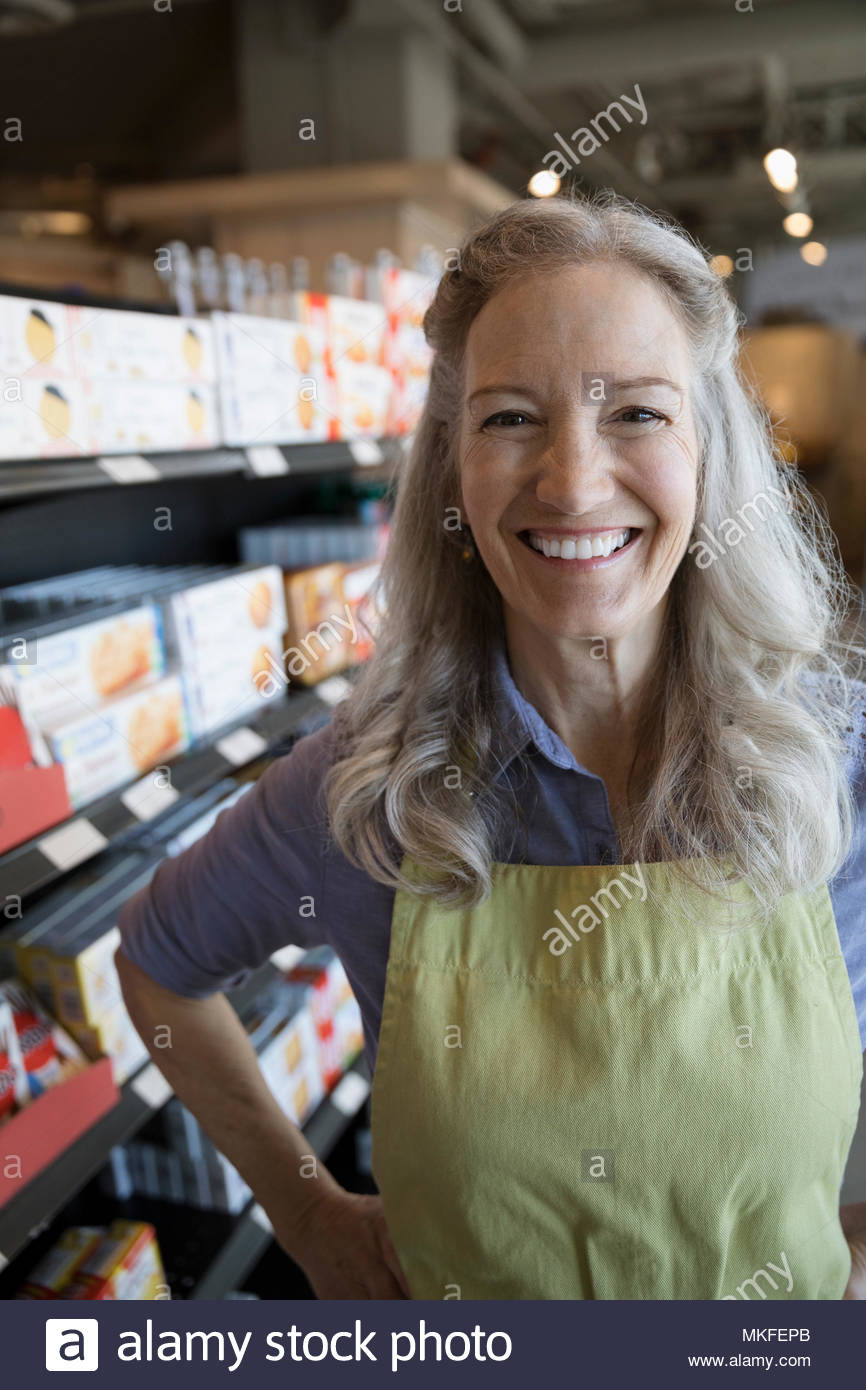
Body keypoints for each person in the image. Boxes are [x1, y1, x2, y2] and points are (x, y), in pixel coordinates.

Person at [117, 190, 866, 1301]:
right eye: (509, 416)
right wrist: (308, 1213)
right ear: (450, 473)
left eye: (637, 415)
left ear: (711, 453)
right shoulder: (372, 787)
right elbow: (154, 970)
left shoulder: (836, 760)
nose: (570, 480)